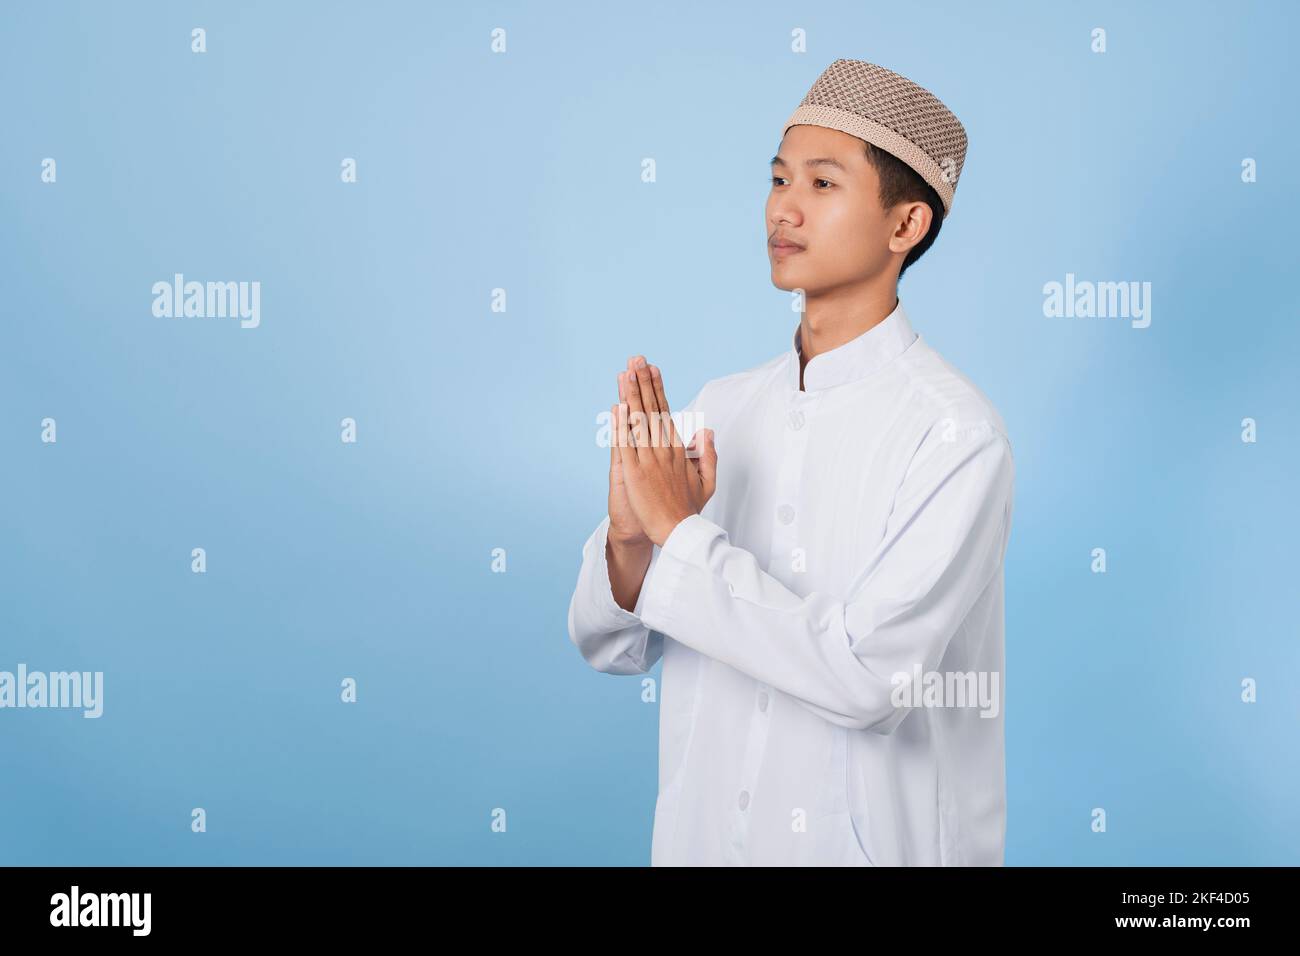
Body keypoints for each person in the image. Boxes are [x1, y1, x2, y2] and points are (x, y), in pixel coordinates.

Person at [567, 58, 1015, 866]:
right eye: (778, 179)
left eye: (822, 184)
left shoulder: (956, 435)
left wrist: (680, 531)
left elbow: (866, 680)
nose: (784, 208)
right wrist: (633, 543)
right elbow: (609, 647)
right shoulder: (726, 404)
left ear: (905, 225)